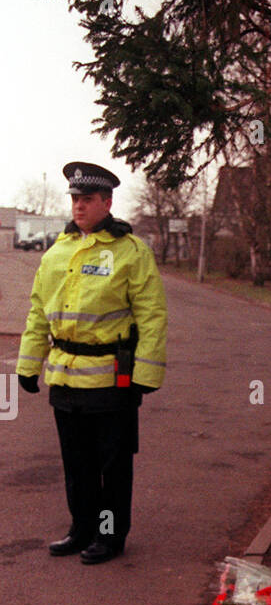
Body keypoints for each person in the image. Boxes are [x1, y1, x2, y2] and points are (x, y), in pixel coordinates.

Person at [15, 161, 167, 563]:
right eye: (75, 199)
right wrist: (28, 367)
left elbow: (151, 315)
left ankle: (108, 536)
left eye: (87, 200)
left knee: (112, 466)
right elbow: (38, 313)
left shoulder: (130, 252)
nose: (79, 207)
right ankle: (81, 529)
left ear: (107, 202)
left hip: (111, 380)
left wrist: (146, 372)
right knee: (76, 462)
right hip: (65, 377)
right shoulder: (57, 252)